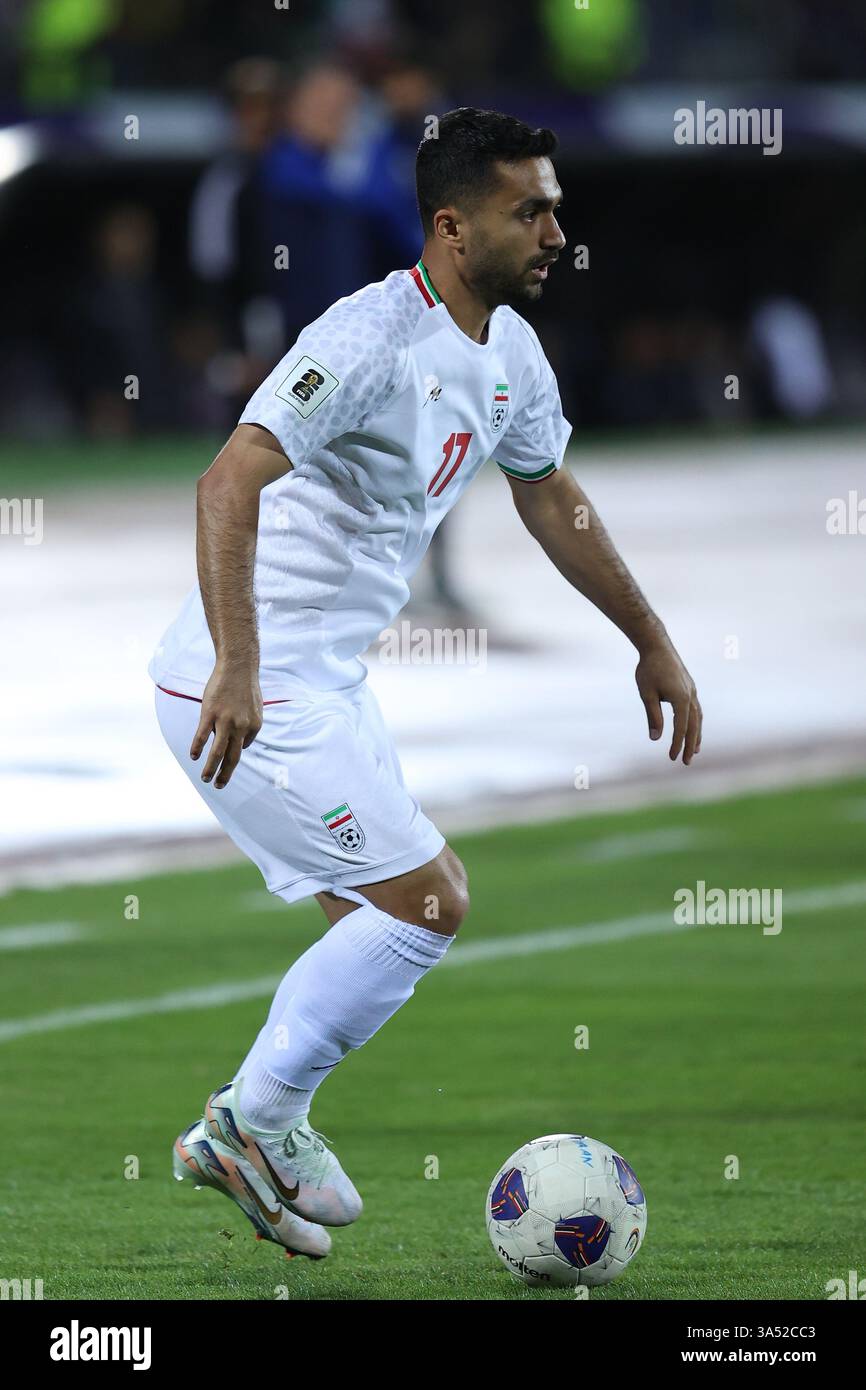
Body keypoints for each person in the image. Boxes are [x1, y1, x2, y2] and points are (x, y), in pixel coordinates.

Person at [150, 107, 702, 1260]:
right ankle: (244, 1120)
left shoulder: (509, 351)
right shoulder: (366, 338)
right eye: (529, 210)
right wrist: (240, 667)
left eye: (554, 205)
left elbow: (550, 497)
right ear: (452, 227)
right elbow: (222, 484)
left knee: (370, 920)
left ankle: (269, 1121)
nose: (556, 229)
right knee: (432, 900)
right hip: (247, 681)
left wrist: (647, 636)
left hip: (322, 679)